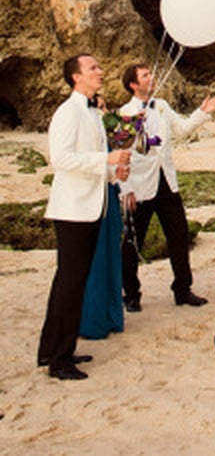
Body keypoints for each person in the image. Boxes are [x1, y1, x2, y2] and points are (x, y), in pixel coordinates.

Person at [37, 54, 131, 380]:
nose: (100, 71)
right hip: (73, 209)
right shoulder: (68, 112)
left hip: (92, 205)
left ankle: (51, 348)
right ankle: (60, 360)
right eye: (93, 68)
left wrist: (112, 171)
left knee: (68, 281)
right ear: (76, 77)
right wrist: (105, 158)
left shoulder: (92, 112)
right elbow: (60, 158)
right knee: (71, 284)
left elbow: (91, 161)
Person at [120, 63, 215, 311]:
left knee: (178, 235)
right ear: (133, 84)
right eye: (145, 75)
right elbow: (121, 152)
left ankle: (182, 289)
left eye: (150, 73)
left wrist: (203, 112)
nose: (151, 78)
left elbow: (183, 129)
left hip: (167, 182)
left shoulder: (162, 105)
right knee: (133, 241)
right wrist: (126, 188)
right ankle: (131, 293)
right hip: (141, 185)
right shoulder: (124, 112)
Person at [79, 92, 124, 342]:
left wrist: (115, 174)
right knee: (95, 259)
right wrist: (107, 161)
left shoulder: (102, 122)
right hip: (90, 194)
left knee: (110, 254)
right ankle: (92, 319)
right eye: (101, 102)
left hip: (108, 190)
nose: (103, 106)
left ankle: (110, 314)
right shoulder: (77, 117)